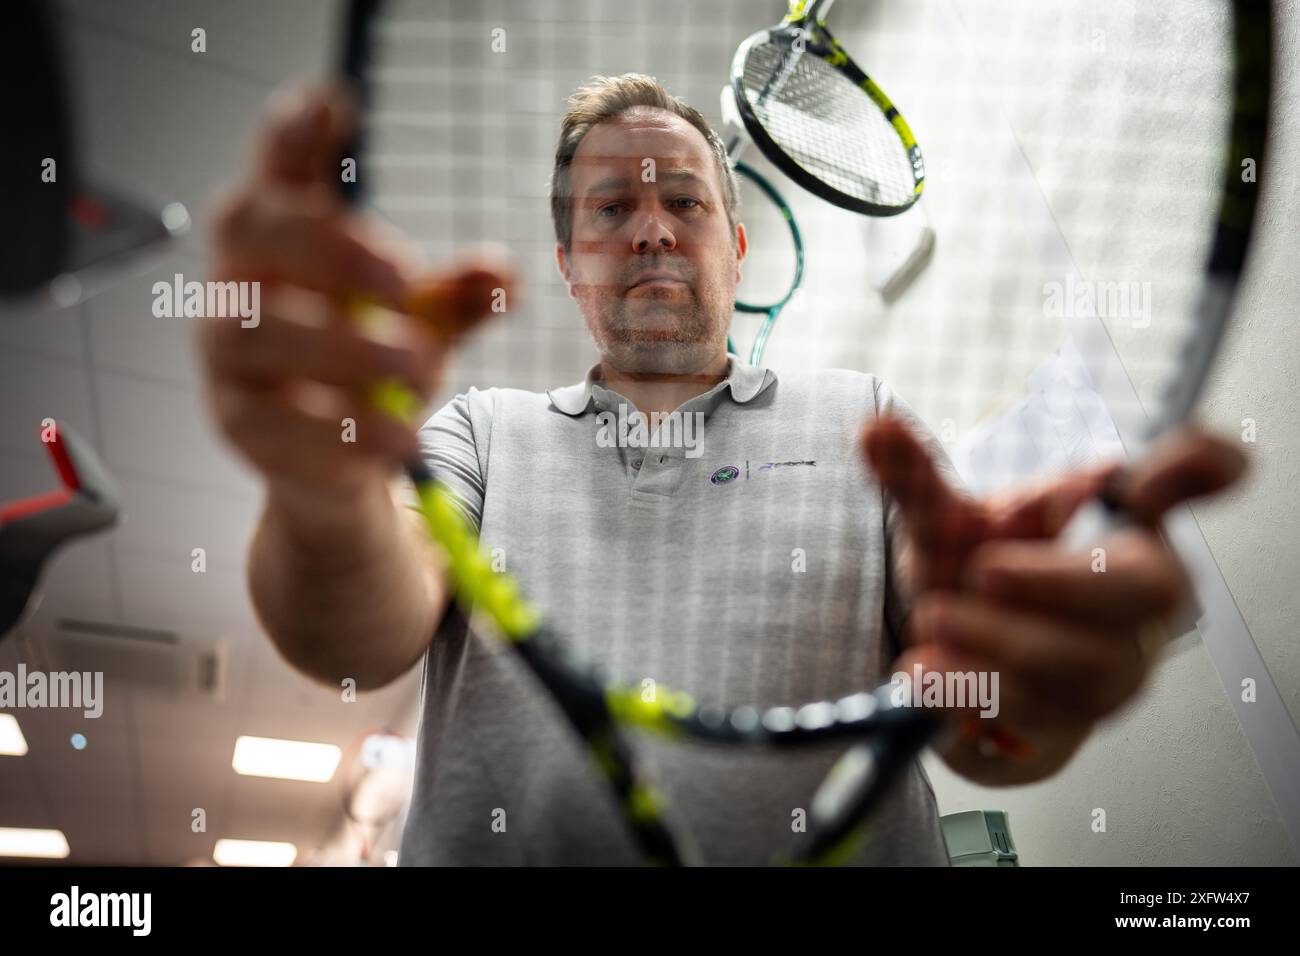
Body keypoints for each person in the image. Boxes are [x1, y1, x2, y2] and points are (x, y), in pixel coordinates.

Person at [198, 74, 1246, 865]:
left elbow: (981, 722)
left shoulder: (865, 418)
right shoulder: (480, 432)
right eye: (609, 209)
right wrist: (323, 490)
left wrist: (1018, 668)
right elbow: (353, 627)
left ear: (736, 246)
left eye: (686, 203)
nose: (651, 227)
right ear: (568, 265)